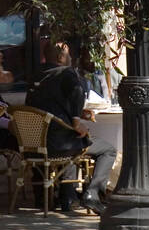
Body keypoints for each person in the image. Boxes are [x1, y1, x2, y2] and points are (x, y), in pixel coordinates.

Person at [26, 42, 116, 211]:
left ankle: (65, 197)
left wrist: (76, 115)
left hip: (33, 143)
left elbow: (47, 105)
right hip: (59, 144)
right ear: (61, 57)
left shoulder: (35, 75)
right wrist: (76, 121)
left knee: (73, 143)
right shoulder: (66, 73)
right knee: (107, 150)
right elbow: (77, 94)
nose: (71, 58)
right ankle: (93, 193)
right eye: (68, 55)